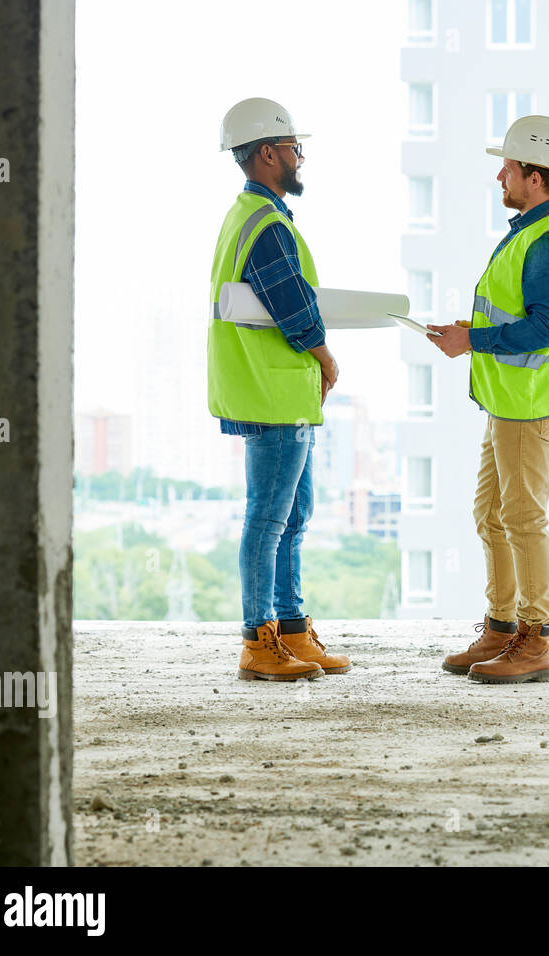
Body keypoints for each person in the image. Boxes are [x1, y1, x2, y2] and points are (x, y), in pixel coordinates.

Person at [428, 115, 549, 684]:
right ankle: (501, 626)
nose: (501, 175)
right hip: (506, 404)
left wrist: (474, 339)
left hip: (528, 406)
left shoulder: (544, 243)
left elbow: (544, 328)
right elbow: (519, 316)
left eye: (510, 168)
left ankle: (534, 640)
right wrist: (474, 333)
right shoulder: (527, 231)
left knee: (522, 520)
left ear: (536, 177)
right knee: (491, 517)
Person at [207, 97, 351, 681]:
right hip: (274, 395)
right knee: (269, 519)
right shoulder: (265, 225)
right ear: (267, 153)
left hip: (281, 395)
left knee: (292, 517)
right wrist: (325, 354)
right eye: (293, 148)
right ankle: (258, 641)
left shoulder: (254, 215)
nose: (299, 158)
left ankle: (290, 630)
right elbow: (290, 305)